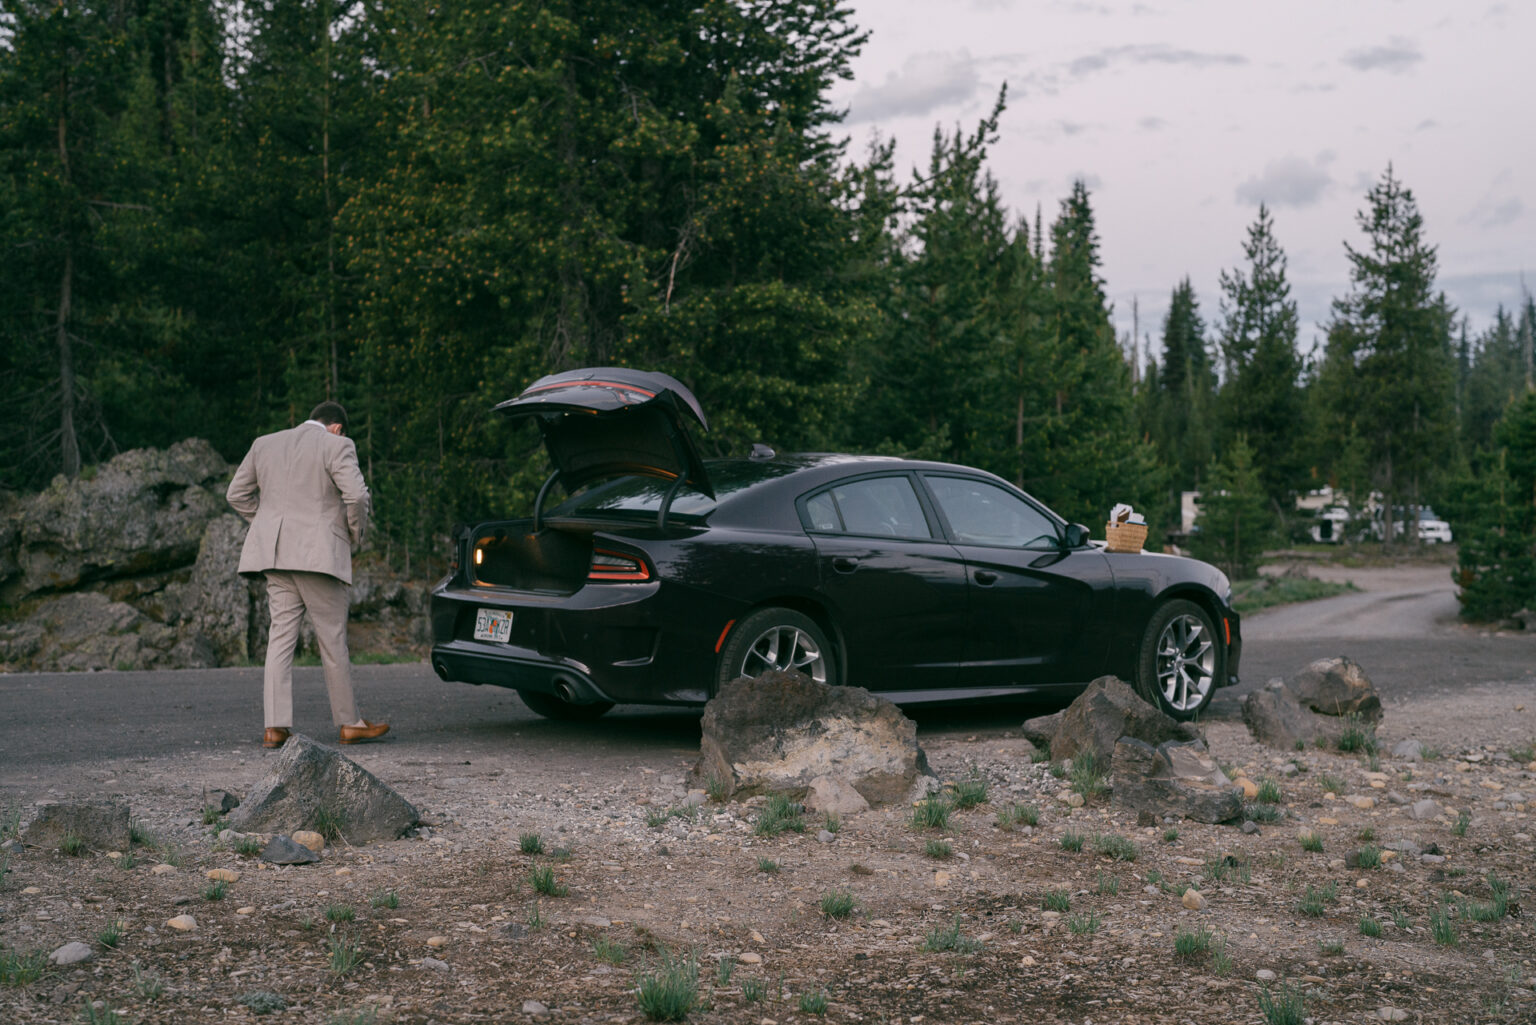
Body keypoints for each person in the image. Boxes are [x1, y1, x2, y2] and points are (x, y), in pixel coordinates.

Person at [226, 401, 390, 748]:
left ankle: (275, 727)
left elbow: (235, 494)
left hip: (276, 555)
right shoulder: (337, 445)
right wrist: (353, 533)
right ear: (337, 428)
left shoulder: (264, 443)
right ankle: (350, 723)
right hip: (319, 557)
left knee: (280, 639)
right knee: (332, 639)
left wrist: (267, 523)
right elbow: (357, 496)